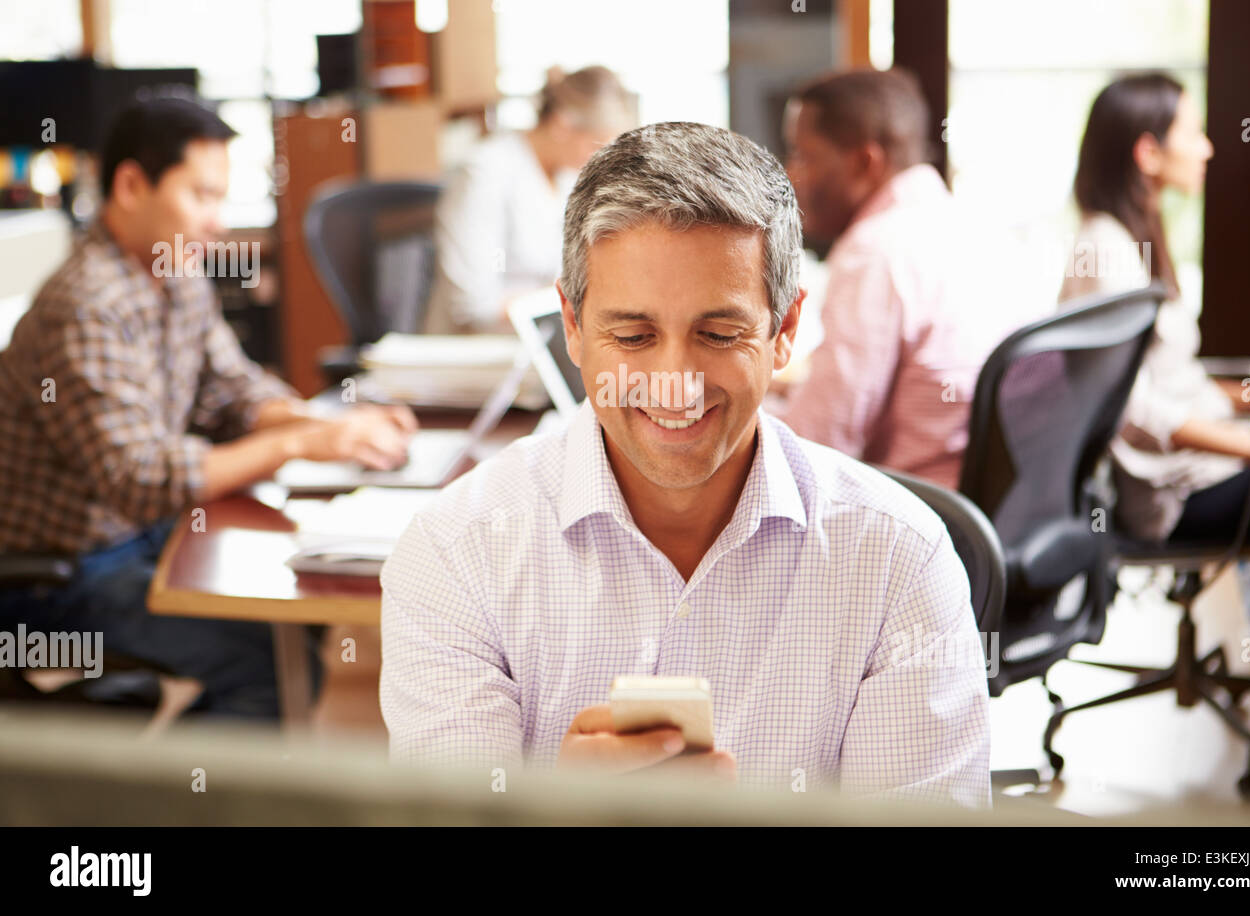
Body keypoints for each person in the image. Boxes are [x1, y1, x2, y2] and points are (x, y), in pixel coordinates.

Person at [382, 122, 991, 805]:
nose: (675, 381)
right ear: (573, 328)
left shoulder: (898, 559)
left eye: (719, 333)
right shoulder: (455, 555)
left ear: (784, 331)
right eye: (634, 335)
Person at [0, 96, 417, 719]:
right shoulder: (85, 305)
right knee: (263, 661)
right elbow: (141, 480)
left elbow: (232, 389)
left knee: (293, 619)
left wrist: (328, 425)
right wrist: (299, 443)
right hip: (60, 575)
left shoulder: (176, 272)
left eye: (221, 198)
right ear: (132, 185)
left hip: (143, 536)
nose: (217, 222)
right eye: (201, 196)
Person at [775, 68, 1047, 489]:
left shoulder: (874, 251)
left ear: (865, 161)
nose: (791, 175)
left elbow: (820, 444)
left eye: (803, 155)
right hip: (998, 506)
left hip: (923, 513)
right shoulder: (978, 228)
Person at [1061, 72, 1250, 543]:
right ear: (1147, 153)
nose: (1207, 148)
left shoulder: (1135, 235)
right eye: (1193, 133)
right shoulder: (1105, 252)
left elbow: (1169, 379)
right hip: (1174, 497)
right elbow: (1132, 409)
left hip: (1203, 469)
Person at [421, 65, 637, 334]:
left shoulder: (566, 178)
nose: (600, 159)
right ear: (562, 125)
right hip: (478, 347)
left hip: (545, 335)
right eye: (597, 144)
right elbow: (475, 308)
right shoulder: (485, 171)